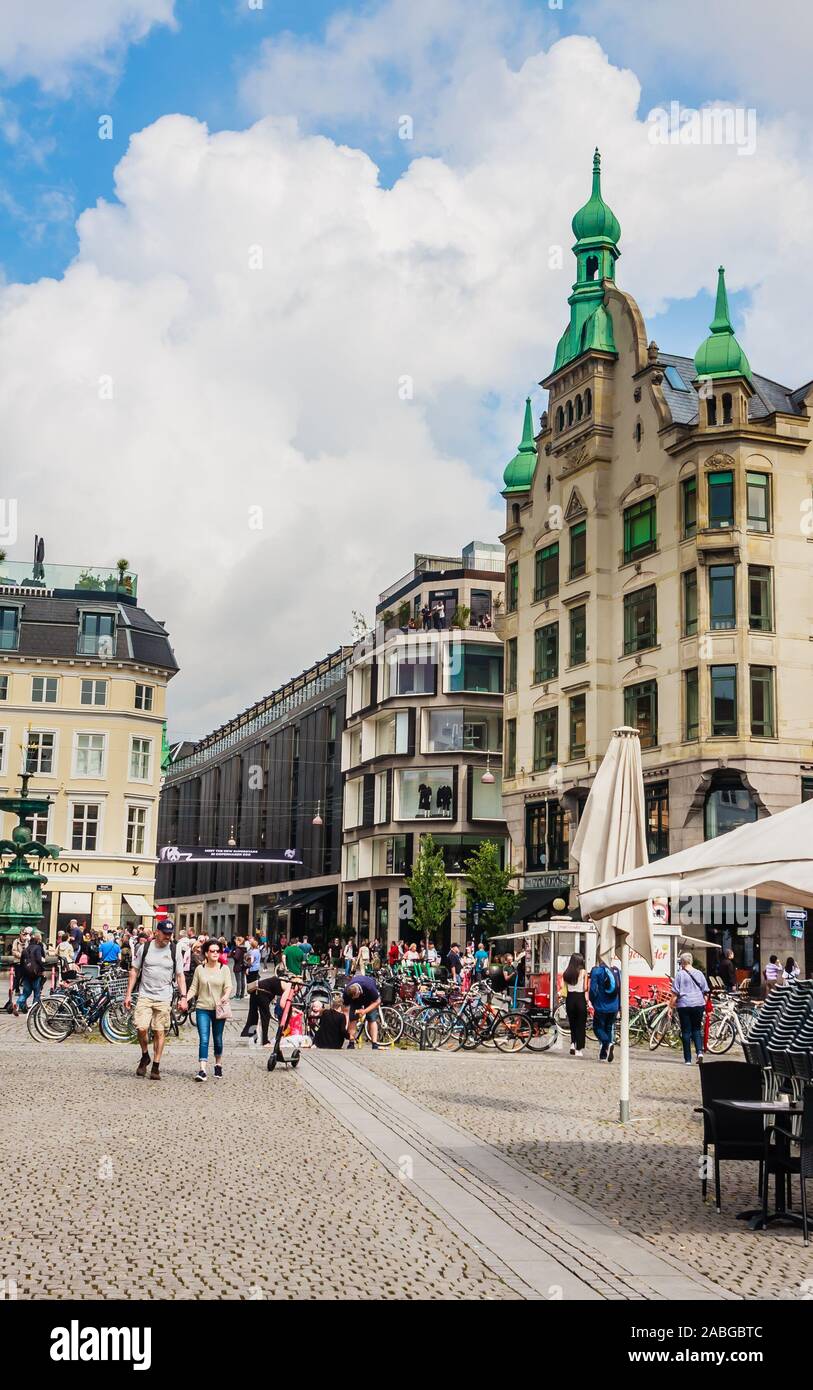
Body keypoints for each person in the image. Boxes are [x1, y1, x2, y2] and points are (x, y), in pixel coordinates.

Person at [125, 919, 188, 1080]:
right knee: (141, 1028)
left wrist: (183, 997)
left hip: (164, 997)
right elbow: (134, 971)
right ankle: (145, 1055)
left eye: (170, 933)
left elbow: (180, 976)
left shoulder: (175, 950)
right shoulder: (144, 948)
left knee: (160, 1032)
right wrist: (128, 994)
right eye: (165, 933)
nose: (168, 936)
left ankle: (156, 1066)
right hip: (145, 995)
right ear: (156, 932)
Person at [188, 938, 232, 1080]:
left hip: (219, 1009)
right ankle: (202, 1070)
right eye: (212, 951)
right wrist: (185, 999)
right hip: (202, 1008)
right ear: (206, 953)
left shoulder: (224, 969)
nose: (215, 953)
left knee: (218, 1039)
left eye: (217, 951)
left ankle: (218, 1065)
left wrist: (225, 996)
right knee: (204, 1039)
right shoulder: (199, 970)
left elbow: (229, 986)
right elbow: (194, 988)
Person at [669, 951, 710, 1065]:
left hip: (684, 1005)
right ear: (691, 961)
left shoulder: (680, 975)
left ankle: (688, 1059)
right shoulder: (699, 974)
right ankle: (699, 1052)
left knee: (686, 1031)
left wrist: (670, 1007)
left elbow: (675, 994)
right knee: (696, 1029)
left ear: (682, 962)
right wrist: (703, 1003)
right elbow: (706, 991)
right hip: (698, 1004)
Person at [248, 972, 293, 1047]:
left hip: (258, 989)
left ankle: (253, 1038)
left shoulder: (285, 983)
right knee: (265, 1017)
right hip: (261, 991)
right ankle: (265, 1041)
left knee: (254, 1015)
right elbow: (283, 1004)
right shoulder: (289, 987)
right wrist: (291, 1010)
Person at [589, 958, 621, 1062]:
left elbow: (593, 990)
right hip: (614, 1006)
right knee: (608, 1027)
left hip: (601, 1006)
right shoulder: (616, 971)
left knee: (597, 1028)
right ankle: (603, 1055)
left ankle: (608, 1043)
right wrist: (619, 1006)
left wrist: (593, 1001)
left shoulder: (596, 971)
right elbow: (620, 990)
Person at [342, 975, 382, 1049]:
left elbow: (378, 1001)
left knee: (372, 1019)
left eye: (355, 996)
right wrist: (345, 1022)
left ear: (359, 992)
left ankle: (374, 1043)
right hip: (355, 1001)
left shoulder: (369, 987)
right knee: (352, 1019)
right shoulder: (347, 992)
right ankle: (351, 1042)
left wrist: (365, 1011)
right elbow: (345, 1010)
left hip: (369, 999)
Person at [560, 953, 587, 1057]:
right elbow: (585, 988)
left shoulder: (566, 973)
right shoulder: (583, 972)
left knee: (572, 1023)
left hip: (570, 999)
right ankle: (579, 1049)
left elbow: (563, 986)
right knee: (581, 1025)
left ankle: (572, 1044)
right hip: (580, 998)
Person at [13, 930, 46, 1015]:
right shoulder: (38, 948)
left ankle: (17, 1004)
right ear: (38, 940)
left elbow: (21, 963)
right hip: (35, 974)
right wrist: (43, 969)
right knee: (36, 993)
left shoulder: (25, 950)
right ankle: (33, 1012)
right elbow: (39, 959)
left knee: (26, 993)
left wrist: (22, 974)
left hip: (26, 974)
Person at [240, 937, 263, 1038]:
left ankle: (251, 992)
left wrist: (247, 966)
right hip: (257, 969)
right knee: (255, 984)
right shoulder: (258, 951)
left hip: (252, 970)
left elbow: (251, 961)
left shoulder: (252, 952)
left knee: (251, 985)